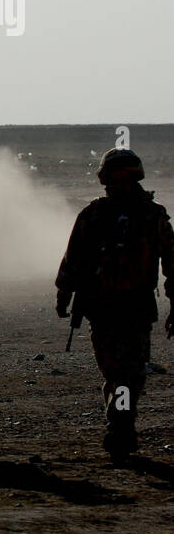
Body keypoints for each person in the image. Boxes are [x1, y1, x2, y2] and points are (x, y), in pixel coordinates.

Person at [55, 148, 174, 460]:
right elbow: (73, 257)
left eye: (126, 177)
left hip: (136, 306)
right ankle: (119, 421)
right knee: (113, 372)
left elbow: (171, 262)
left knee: (129, 374)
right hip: (101, 307)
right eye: (114, 178)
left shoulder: (153, 216)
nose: (119, 184)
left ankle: (120, 426)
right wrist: (64, 292)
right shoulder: (92, 216)